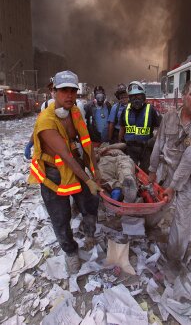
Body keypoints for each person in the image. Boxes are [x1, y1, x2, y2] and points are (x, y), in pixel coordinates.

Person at [28, 70, 102, 274]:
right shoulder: (46, 121)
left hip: (74, 166)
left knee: (90, 203)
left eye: (73, 90)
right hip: (53, 176)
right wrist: (88, 180)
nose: (69, 95)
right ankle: (70, 252)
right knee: (60, 218)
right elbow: (66, 157)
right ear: (53, 92)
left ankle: (89, 233)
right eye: (64, 91)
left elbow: (86, 143)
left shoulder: (75, 112)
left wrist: (95, 172)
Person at [148, 79, 191, 267]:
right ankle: (148, 228)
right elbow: (158, 144)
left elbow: (190, 159)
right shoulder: (168, 117)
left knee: (182, 220)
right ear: (183, 96)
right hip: (166, 173)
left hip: (189, 179)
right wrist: (152, 170)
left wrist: (174, 187)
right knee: (157, 206)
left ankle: (174, 259)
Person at [119, 80, 161, 173]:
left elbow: (161, 128)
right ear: (129, 98)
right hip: (130, 148)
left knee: (145, 174)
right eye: (133, 96)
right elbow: (122, 128)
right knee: (130, 173)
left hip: (146, 149)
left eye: (138, 95)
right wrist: (120, 142)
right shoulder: (125, 110)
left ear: (144, 96)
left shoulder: (151, 110)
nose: (136, 99)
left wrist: (153, 141)